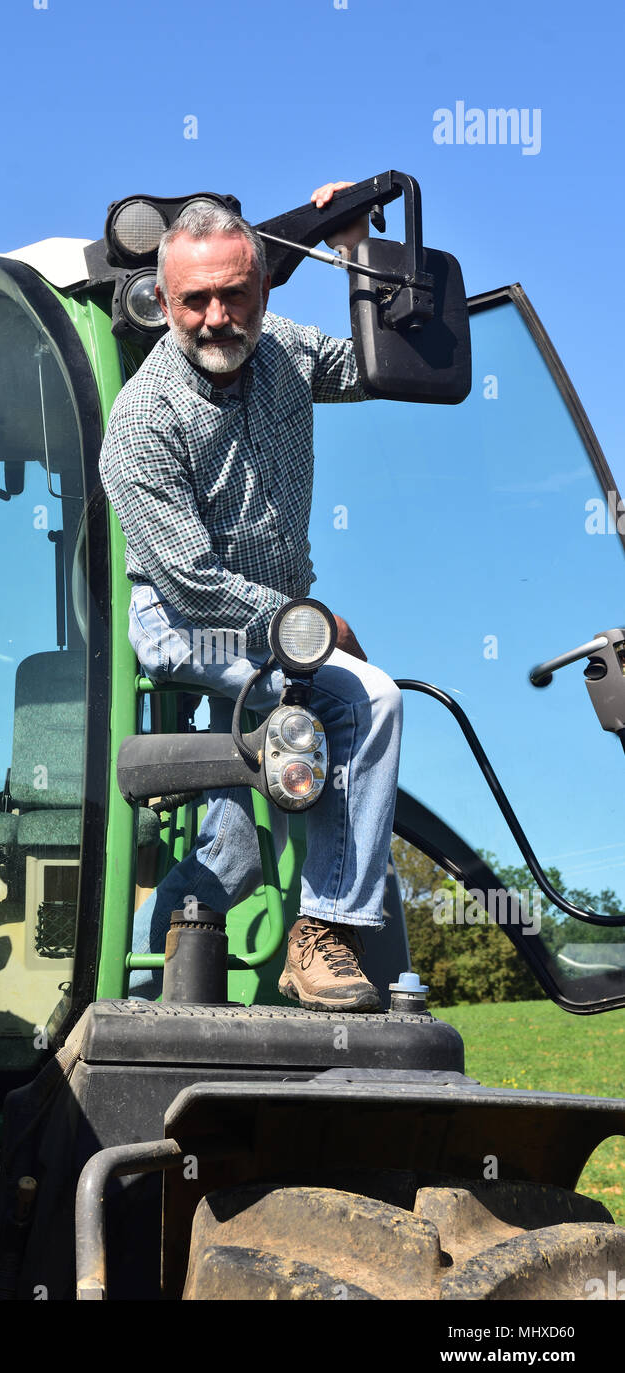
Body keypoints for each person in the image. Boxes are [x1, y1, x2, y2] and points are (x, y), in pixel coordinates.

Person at [99, 181, 403, 1012]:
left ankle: (140, 1002)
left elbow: (382, 363)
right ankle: (325, 932)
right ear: (163, 303)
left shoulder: (287, 354)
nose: (214, 317)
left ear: (264, 292)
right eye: (193, 300)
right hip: (187, 629)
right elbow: (191, 585)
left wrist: (356, 257)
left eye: (234, 295)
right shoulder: (142, 419)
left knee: (232, 852)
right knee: (368, 700)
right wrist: (313, 627)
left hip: (274, 624)